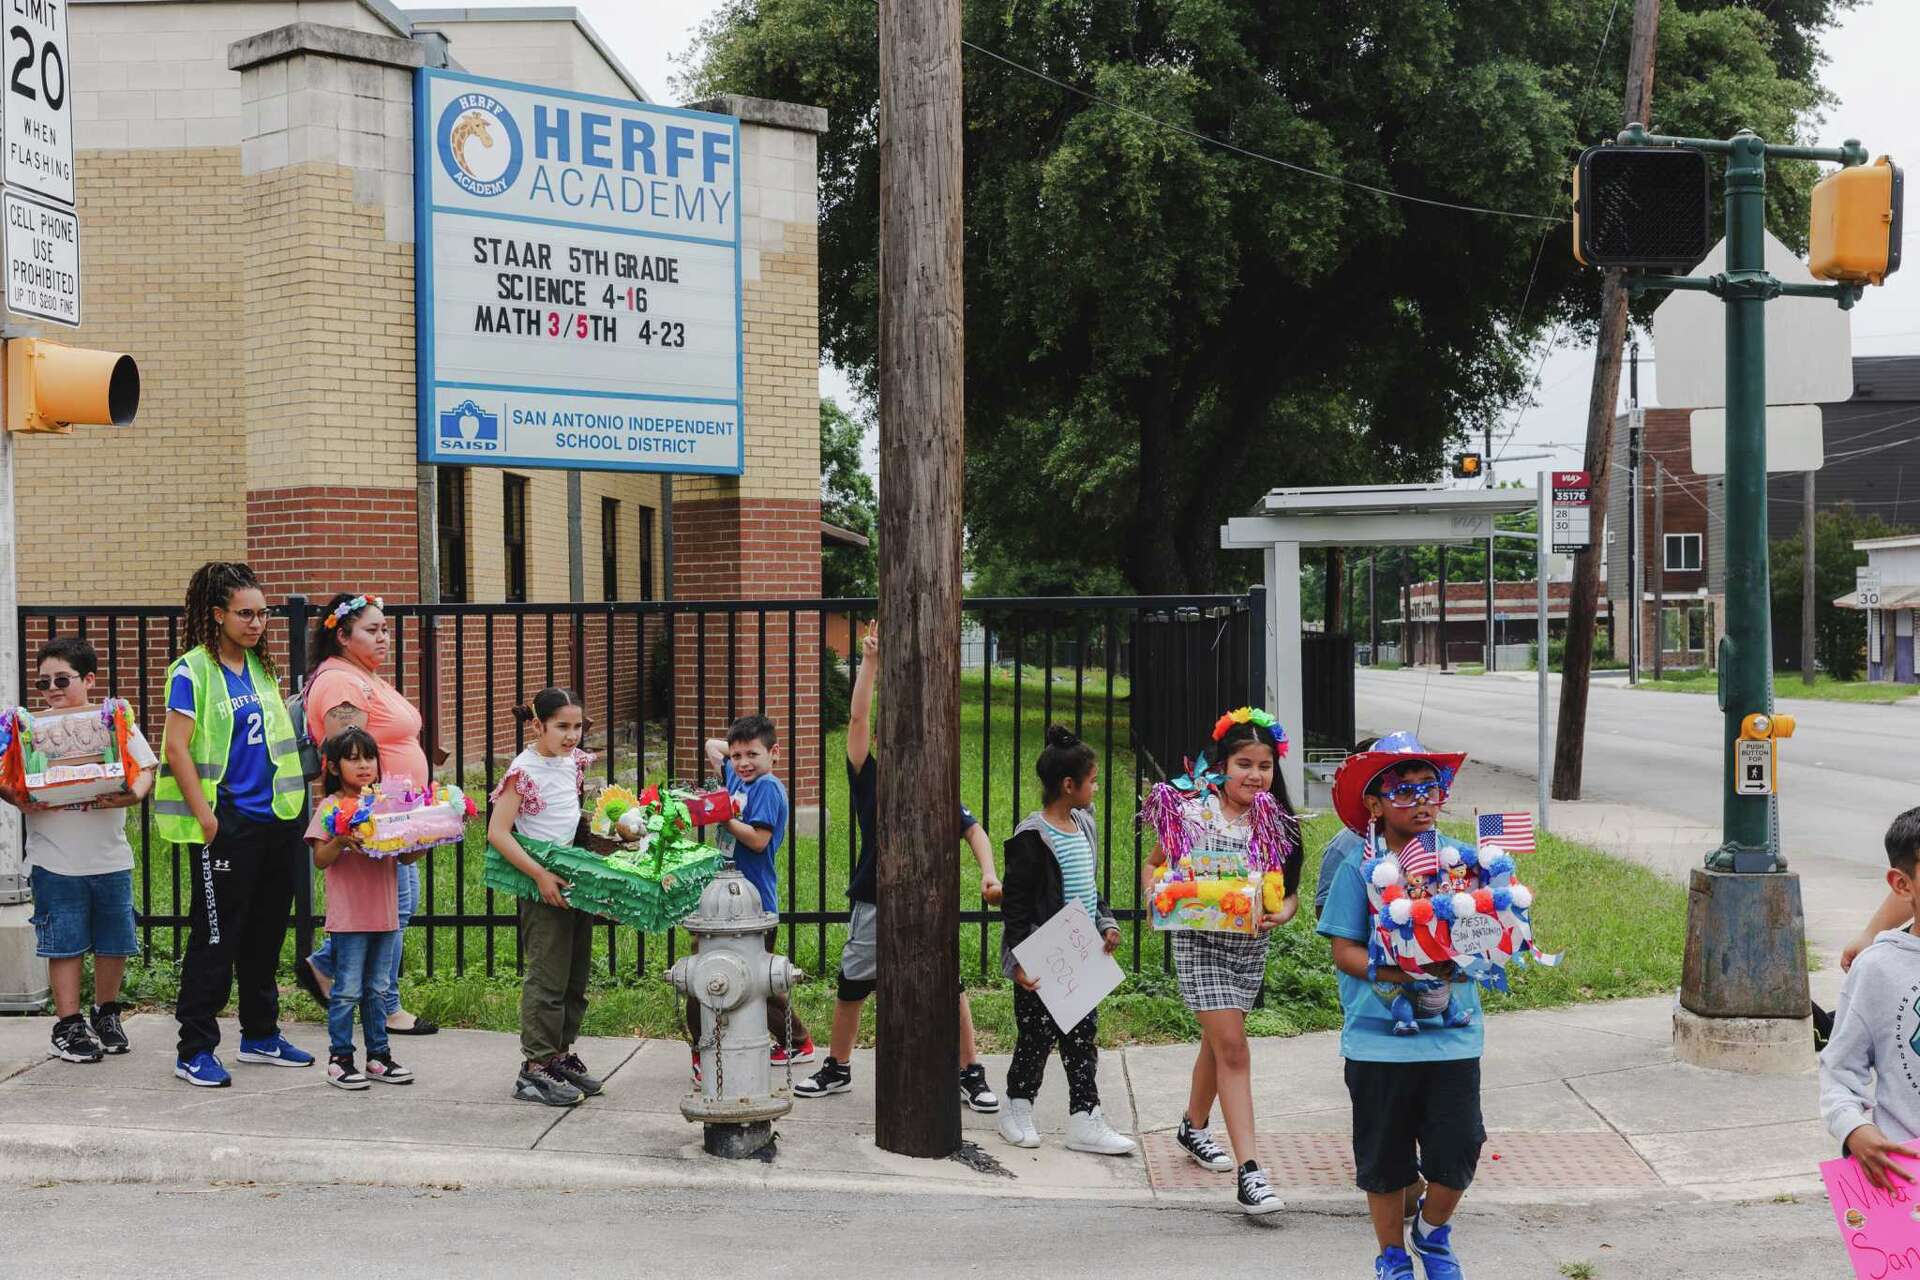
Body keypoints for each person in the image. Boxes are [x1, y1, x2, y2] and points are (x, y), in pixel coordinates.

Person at [793, 623, 1001, 1111]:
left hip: (929, 899)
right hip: (874, 896)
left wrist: (987, 873)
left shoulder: (936, 783)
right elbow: (858, 720)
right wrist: (869, 663)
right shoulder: (870, 777)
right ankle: (838, 1066)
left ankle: (969, 1070)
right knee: (852, 984)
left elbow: (974, 830)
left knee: (949, 984)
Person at [1317, 732, 1479, 1280]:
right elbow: (1344, 949)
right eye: (1403, 791)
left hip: (1454, 1035)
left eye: (1429, 788)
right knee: (1384, 1165)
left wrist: (1492, 939)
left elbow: (1485, 930)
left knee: (1459, 1152)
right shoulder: (1357, 868)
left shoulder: (1463, 864)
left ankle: (1432, 1234)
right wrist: (1398, 971)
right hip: (1378, 1040)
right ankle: (1392, 1259)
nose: (1421, 801)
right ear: (1375, 803)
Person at [159, 561, 314, 1087]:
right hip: (228, 825)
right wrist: (205, 817)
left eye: (262, 613)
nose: (256, 623)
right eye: (245, 613)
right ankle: (194, 1048)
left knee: (267, 933)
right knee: (216, 939)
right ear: (217, 614)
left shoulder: (262, 668)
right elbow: (176, 747)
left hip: (279, 821)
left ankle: (260, 1035)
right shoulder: (192, 670)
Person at [1140, 708, 1300, 1216]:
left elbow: (1287, 893)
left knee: (1219, 1042)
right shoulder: (1191, 812)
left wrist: (1284, 913)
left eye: (1265, 765)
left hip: (1249, 944)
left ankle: (1192, 1125)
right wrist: (1156, 899)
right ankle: (1250, 1173)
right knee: (1234, 1047)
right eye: (1243, 764)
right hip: (1199, 943)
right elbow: (1155, 867)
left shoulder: (1278, 822)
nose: (1255, 775)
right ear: (1221, 765)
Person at [296, 592, 439, 1036]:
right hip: (376, 823)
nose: (383, 638)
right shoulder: (340, 682)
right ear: (342, 636)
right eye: (372, 630)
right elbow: (344, 755)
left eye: (384, 629)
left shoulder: (363, 675)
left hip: (397, 817)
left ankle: (323, 967)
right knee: (391, 909)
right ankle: (387, 1007)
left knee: (400, 906)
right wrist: (366, 817)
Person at [13, 637, 157, 1062]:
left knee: (115, 941)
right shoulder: (28, 731)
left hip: (109, 855)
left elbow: (146, 767)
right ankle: (69, 1024)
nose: (52, 690)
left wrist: (133, 795)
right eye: (43, 683)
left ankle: (106, 1013)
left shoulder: (114, 721)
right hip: (54, 857)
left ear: (89, 679)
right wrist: (18, 796)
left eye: (62, 679)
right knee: (64, 942)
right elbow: (8, 781)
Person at [996, 725, 1134, 1156]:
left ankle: (1085, 1118)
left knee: (1082, 1038)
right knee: (1035, 1038)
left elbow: (1089, 887)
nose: (1096, 788)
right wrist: (1019, 961)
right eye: (1092, 781)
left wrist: (1106, 923)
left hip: (1079, 958)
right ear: (1069, 785)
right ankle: (1016, 1108)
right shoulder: (1031, 838)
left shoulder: (1084, 825)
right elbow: (1015, 906)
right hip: (1043, 957)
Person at [487, 687, 603, 1107]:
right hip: (544, 885)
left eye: (577, 727)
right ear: (538, 725)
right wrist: (539, 875)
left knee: (575, 975)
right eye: (562, 727)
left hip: (575, 881)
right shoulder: (524, 770)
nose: (572, 736)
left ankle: (559, 1054)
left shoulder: (572, 762)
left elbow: (567, 816)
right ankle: (534, 1067)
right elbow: (497, 833)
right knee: (548, 977)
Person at [688, 714, 812, 1071]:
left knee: (753, 981)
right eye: (738, 755)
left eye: (752, 755)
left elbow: (759, 841)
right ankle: (793, 1041)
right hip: (722, 897)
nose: (743, 763)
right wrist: (741, 748)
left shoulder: (768, 787)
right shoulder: (736, 776)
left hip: (753, 902)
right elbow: (713, 746)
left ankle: (793, 1042)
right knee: (715, 973)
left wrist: (724, 819)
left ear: (775, 753)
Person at [306, 727, 417, 1090]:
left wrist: (427, 832)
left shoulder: (387, 803)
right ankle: (340, 1059)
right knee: (348, 990)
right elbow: (321, 859)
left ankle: (378, 1057)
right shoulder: (331, 806)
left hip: (384, 916)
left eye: (369, 757)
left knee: (378, 990)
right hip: (349, 919)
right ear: (335, 767)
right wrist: (340, 839)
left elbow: (407, 856)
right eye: (353, 759)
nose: (364, 765)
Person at [1821, 805, 1920, 1194]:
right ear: (1902, 884)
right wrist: (1855, 1129)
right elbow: (1840, 1071)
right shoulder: (1878, 971)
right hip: (1906, 1181)